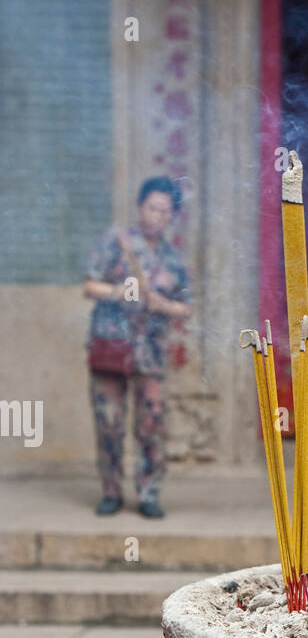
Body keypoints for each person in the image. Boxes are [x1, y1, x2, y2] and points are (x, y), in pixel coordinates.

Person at [83, 177, 191, 517]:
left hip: (152, 353)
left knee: (152, 424)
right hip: (111, 346)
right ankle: (111, 491)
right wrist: (121, 291)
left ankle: (149, 493)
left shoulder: (174, 259)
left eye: (164, 210)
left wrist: (163, 305)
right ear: (140, 207)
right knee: (109, 422)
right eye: (151, 207)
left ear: (172, 215)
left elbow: (185, 307)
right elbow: (89, 285)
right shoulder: (116, 242)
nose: (156, 215)